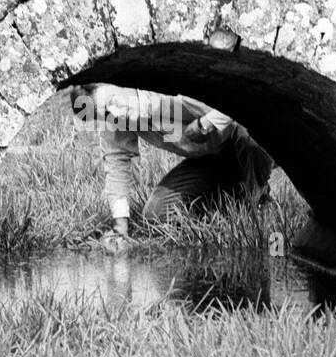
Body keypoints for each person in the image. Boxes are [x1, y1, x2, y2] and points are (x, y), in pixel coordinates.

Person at [70, 83, 274, 248]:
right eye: (106, 114)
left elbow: (239, 99)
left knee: (251, 138)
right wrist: (120, 227)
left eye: (112, 102)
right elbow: (116, 163)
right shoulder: (116, 118)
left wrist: (206, 123)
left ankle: (258, 198)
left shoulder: (163, 89)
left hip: (238, 134)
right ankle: (232, 195)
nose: (116, 114)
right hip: (209, 157)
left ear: (117, 83)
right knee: (156, 216)